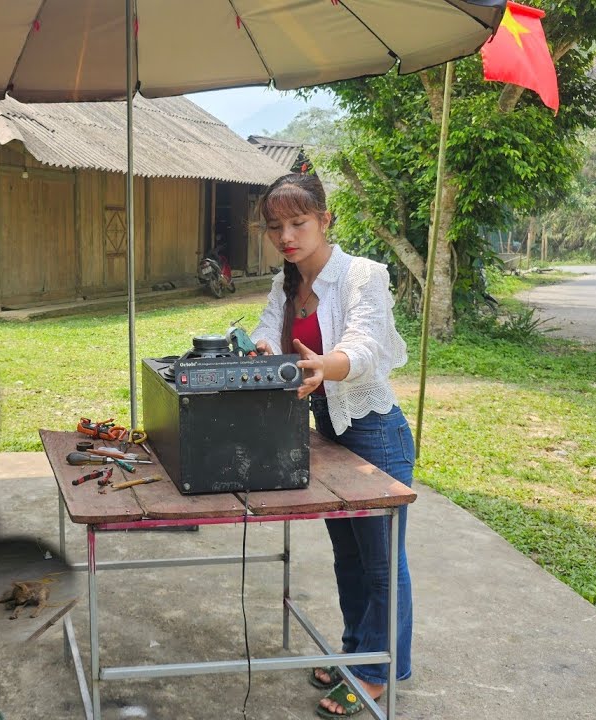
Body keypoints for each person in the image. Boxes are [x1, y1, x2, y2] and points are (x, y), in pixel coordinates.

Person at [248, 174, 413, 718]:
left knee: (382, 561)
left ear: (325, 220)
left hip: (374, 430)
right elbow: (266, 334)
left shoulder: (365, 275)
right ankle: (355, 654)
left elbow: (365, 345)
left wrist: (328, 365)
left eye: (298, 223)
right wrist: (262, 351)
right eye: (276, 226)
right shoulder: (285, 286)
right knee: (348, 556)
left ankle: (375, 672)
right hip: (328, 433)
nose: (286, 236)